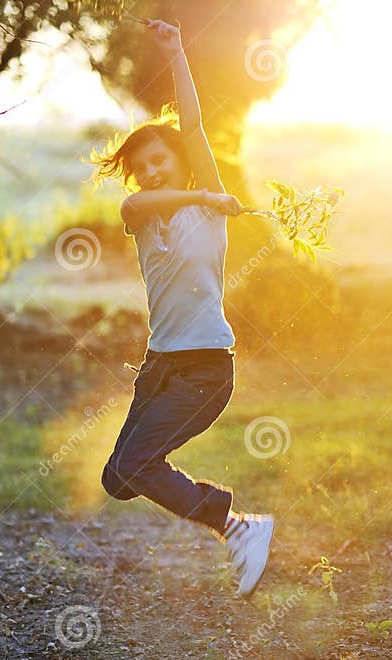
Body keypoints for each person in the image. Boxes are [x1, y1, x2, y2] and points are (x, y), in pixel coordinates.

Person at [92, 18, 273, 597]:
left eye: (159, 160)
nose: (150, 171)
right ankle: (230, 520)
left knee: (137, 465)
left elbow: (192, 126)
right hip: (159, 366)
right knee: (118, 478)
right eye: (141, 166)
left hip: (205, 367)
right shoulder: (142, 215)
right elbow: (133, 204)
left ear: (182, 160)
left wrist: (175, 52)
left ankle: (235, 526)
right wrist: (205, 193)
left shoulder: (208, 214)